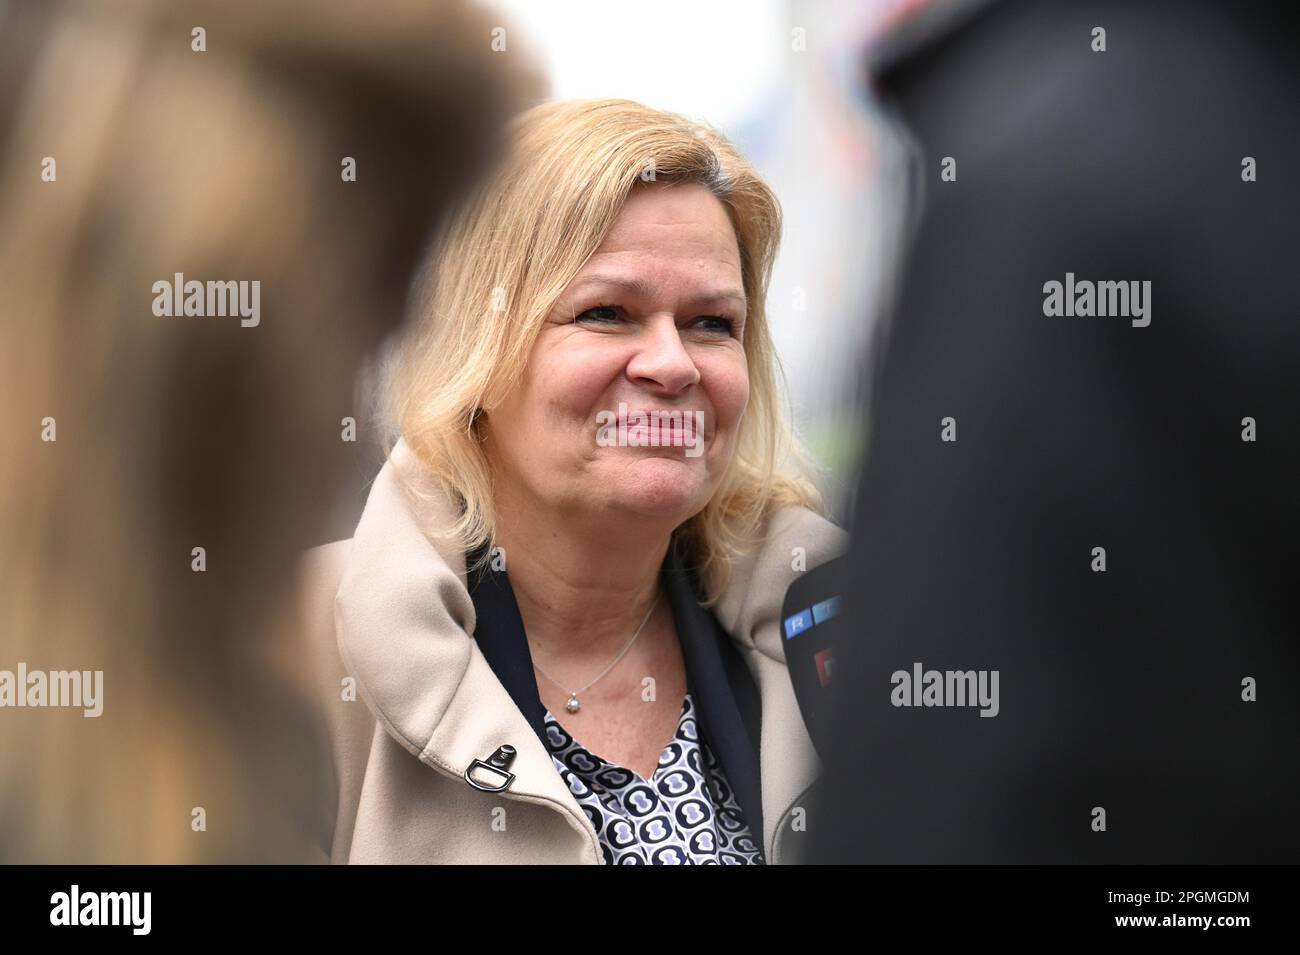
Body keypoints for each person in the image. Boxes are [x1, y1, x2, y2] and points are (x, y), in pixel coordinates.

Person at [0, 0, 538, 863]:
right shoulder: (331, 648)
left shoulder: (231, 687)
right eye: (374, 284)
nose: (388, 361)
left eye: (713, 323)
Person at [297, 98, 848, 864]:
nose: (673, 363)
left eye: (712, 323)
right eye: (608, 312)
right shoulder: (294, 648)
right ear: (480, 354)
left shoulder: (842, 636)